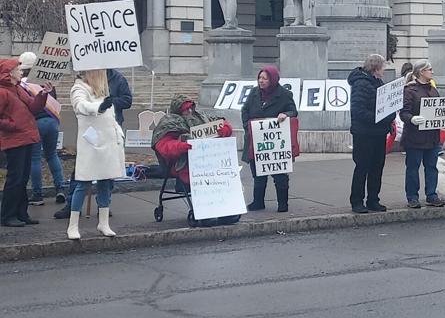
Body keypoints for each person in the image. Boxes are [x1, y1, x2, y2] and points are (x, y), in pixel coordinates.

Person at [54, 68, 132, 219]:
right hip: (92, 135)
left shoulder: (118, 78)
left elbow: (127, 100)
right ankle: (72, 206)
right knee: (82, 174)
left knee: (106, 175)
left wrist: (111, 102)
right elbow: (82, 104)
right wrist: (100, 106)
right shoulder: (82, 85)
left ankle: (103, 207)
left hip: (111, 129)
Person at [151, 95, 238, 226]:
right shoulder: (169, 122)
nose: (189, 112)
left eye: (191, 108)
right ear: (179, 110)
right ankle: (205, 209)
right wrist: (181, 147)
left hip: (207, 160)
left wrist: (224, 129)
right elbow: (163, 145)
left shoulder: (200, 117)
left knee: (224, 172)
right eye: (186, 110)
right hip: (182, 162)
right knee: (199, 175)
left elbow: (220, 122)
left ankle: (226, 210)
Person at [67, 69, 126, 240]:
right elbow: (81, 106)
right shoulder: (79, 88)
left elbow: (111, 117)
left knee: (105, 182)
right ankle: (73, 225)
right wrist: (98, 107)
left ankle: (103, 222)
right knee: (82, 183)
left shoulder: (102, 90)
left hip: (108, 143)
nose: (104, 77)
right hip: (91, 144)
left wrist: (118, 135)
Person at [242, 66, 297, 213]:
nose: (261, 81)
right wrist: (248, 127)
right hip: (256, 140)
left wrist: (285, 114)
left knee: (279, 174)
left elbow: (293, 111)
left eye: (264, 78)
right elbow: (245, 110)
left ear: (272, 79)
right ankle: (258, 202)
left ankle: (283, 204)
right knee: (258, 173)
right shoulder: (254, 93)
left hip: (276, 144)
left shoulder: (284, 94)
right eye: (260, 77)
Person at [0, 58, 48, 227]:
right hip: (14, 140)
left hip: (26, 137)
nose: (21, 72)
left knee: (22, 177)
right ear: (9, 73)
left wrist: (43, 94)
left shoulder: (18, 89)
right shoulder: (3, 92)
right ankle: (7, 215)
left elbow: (34, 107)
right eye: (18, 69)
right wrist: (12, 125)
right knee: (15, 178)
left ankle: (21, 213)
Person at [348, 54, 395, 214]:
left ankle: (373, 200)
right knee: (362, 167)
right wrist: (381, 118)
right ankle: (357, 201)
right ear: (376, 68)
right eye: (383, 67)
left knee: (377, 167)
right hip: (364, 133)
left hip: (378, 133)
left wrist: (389, 115)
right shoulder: (361, 84)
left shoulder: (376, 82)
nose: (384, 70)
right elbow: (359, 111)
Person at [18, 51, 66, 206]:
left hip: (35, 123)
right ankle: (60, 189)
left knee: (35, 158)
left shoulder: (22, 84)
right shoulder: (46, 82)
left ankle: (38, 195)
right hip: (52, 121)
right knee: (52, 155)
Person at [400, 61, 445, 208]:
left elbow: (440, 110)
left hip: (432, 137)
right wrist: (411, 119)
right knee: (413, 167)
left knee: (432, 166)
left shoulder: (433, 90)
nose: (432, 72)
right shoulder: (410, 90)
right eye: (429, 69)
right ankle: (412, 196)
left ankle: (431, 194)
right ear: (421, 72)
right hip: (415, 137)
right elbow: (404, 112)